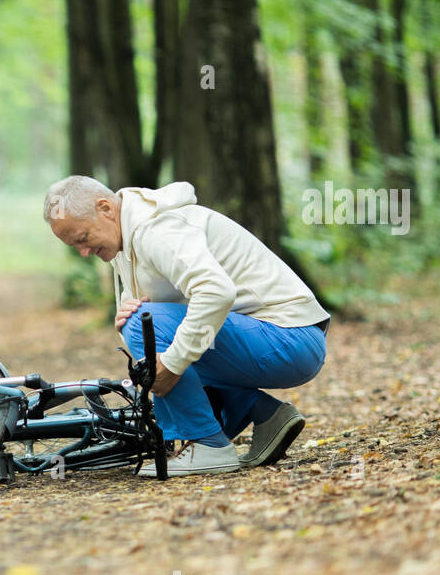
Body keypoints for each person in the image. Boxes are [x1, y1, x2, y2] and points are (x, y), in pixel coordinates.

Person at [43, 176, 330, 476]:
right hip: (282, 339)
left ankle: (207, 444)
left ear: (105, 208)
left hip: (290, 338)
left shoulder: (157, 229)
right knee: (143, 325)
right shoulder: (125, 240)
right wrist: (129, 316)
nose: (84, 253)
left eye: (82, 238)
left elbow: (216, 292)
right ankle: (263, 412)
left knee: (147, 328)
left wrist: (174, 362)